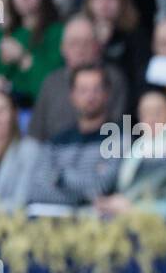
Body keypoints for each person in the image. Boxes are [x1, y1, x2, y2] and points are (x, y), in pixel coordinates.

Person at [95, 88, 166, 221]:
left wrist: (127, 200)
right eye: (145, 113)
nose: (151, 118)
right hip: (137, 210)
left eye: (158, 112)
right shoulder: (138, 146)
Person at [26, 65, 120, 208]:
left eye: (96, 89)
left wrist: (59, 177)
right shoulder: (56, 142)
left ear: (107, 94)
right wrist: (83, 197)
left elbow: (102, 187)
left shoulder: (119, 139)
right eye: (83, 90)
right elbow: (36, 191)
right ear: (72, 95)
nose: (90, 96)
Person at [28, 14, 130, 143]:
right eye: (73, 43)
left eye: (86, 43)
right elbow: (36, 133)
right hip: (53, 154)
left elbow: (118, 125)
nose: (80, 50)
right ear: (63, 48)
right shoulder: (51, 82)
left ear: (97, 46)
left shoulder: (114, 78)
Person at [83, 0, 149, 103]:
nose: (104, 3)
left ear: (122, 1)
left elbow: (139, 76)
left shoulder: (136, 35)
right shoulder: (81, 33)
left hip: (125, 101)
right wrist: (100, 44)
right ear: (89, 3)